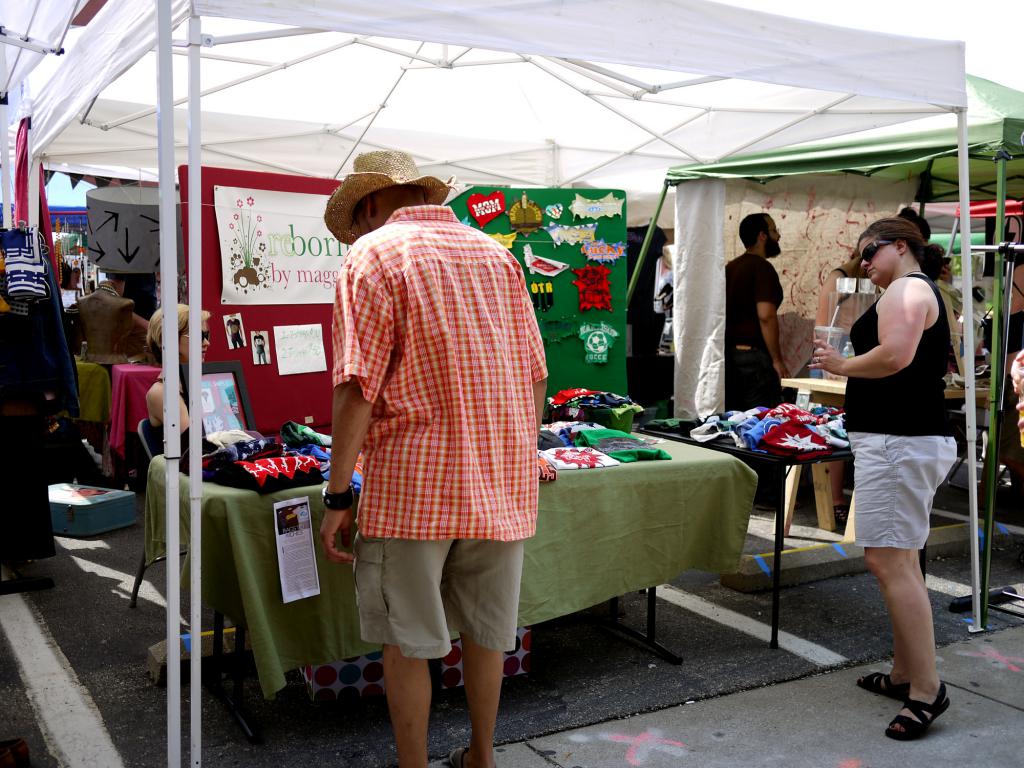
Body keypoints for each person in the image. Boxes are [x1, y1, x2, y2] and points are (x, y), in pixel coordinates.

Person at [318, 150, 547, 768]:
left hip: (411, 488)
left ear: (368, 206)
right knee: (486, 637)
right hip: (499, 482)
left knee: (409, 643)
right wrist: (520, 455)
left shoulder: (371, 256)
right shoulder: (498, 255)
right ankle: (482, 756)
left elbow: (356, 386)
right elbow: (535, 375)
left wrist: (338, 495)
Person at [811, 217, 956, 740]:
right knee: (899, 560)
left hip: (900, 441)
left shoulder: (906, 291)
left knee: (889, 560)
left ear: (901, 245)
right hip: (900, 440)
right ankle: (904, 674)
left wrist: (840, 366)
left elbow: (895, 356)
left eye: (869, 251)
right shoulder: (913, 290)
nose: (865, 262)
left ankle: (926, 689)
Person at [813, 253, 870, 526]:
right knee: (835, 429)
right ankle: (835, 500)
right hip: (836, 356)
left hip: (850, 357)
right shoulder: (840, 278)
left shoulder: (865, 282)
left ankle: (840, 499)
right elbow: (822, 327)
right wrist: (830, 364)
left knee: (845, 428)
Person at [724, 212, 788, 410]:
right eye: (774, 230)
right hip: (754, 360)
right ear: (762, 236)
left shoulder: (730, 267)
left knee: (734, 419)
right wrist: (777, 360)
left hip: (729, 357)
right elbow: (766, 315)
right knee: (759, 420)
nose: (778, 236)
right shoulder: (762, 268)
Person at [144, 304, 210, 439]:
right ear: (169, 340)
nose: (206, 343)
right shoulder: (161, 392)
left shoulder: (197, 380)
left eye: (206, 335)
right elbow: (195, 444)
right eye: (198, 335)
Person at [75, 272, 150, 363]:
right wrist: (150, 327)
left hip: (139, 339)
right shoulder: (122, 264)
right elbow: (113, 304)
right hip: (131, 344)